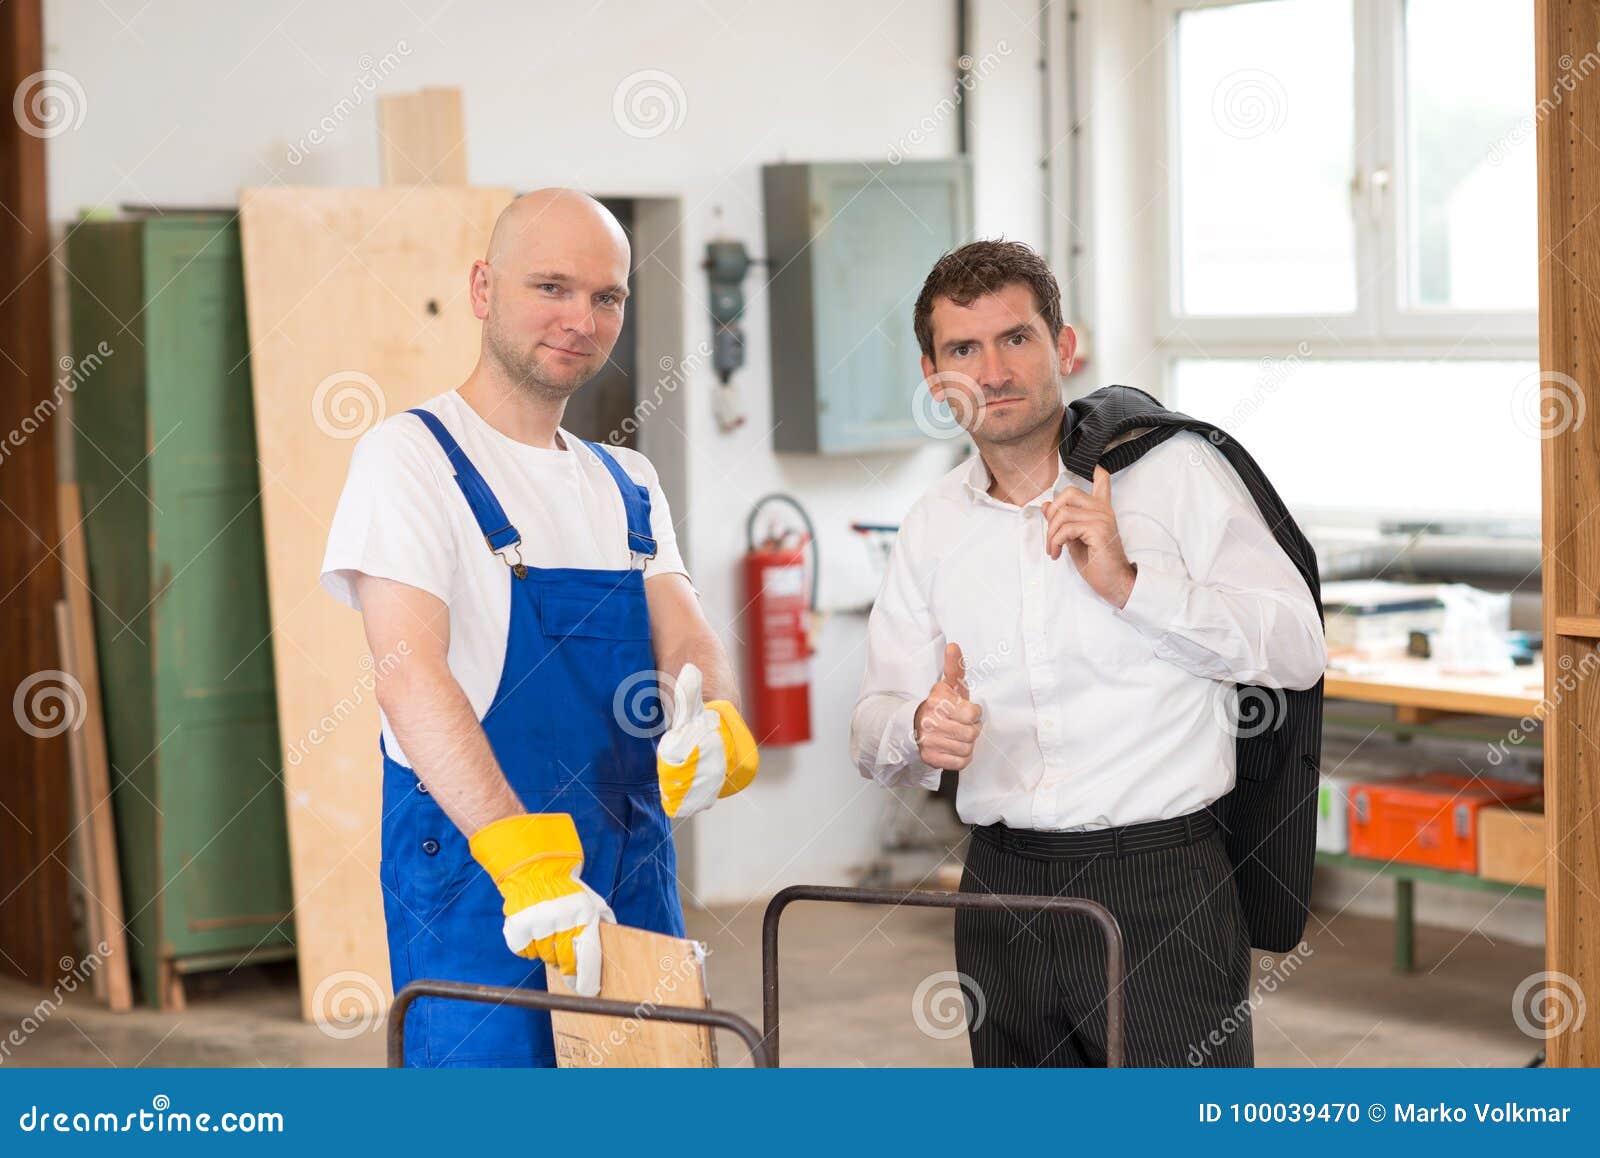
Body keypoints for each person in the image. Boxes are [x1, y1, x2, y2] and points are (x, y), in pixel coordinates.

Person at [850, 239, 1325, 1067]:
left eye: (1017, 338)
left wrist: (1131, 583)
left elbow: (1297, 649)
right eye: (964, 348)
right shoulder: (932, 524)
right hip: (1000, 891)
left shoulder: (1176, 473)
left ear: (1065, 348)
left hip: (1159, 886)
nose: (992, 370)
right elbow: (871, 721)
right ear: (934, 376)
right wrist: (915, 727)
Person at [320, 188, 758, 1068]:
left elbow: (686, 630)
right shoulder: (410, 458)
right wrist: (522, 861)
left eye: (607, 298)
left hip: (629, 868)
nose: (580, 319)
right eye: (551, 287)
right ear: (483, 288)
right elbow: (409, 672)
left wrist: (715, 714)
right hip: (485, 884)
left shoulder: (626, 481)